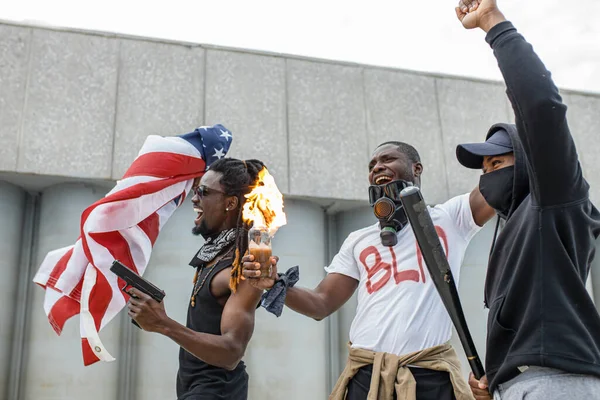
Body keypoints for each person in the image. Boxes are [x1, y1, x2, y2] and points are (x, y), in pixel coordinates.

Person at [244, 141, 496, 399]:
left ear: (416, 168)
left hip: (428, 375)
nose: (377, 167)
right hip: (367, 376)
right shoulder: (358, 240)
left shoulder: (450, 218)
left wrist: (503, 152)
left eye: (387, 159)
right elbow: (320, 303)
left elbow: (496, 185)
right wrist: (275, 283)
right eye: (372, 165)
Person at [453, 1, 600, 399]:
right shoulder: (513, 226)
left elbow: (541, 108)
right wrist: (498, 379)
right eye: (483, 169)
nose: (488, 176)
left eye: (498, 162)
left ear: (530, 162)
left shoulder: (553, 198)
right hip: (521, 385)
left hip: (557, 382)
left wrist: (491, 23)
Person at [126, 158, 275, 400]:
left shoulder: (245, 268)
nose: (195, 198)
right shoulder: (217, 254)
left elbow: (231, 353)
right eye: (196, 190)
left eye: (203, 192)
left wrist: (162, 323)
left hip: (215, 393)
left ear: (230, 203)